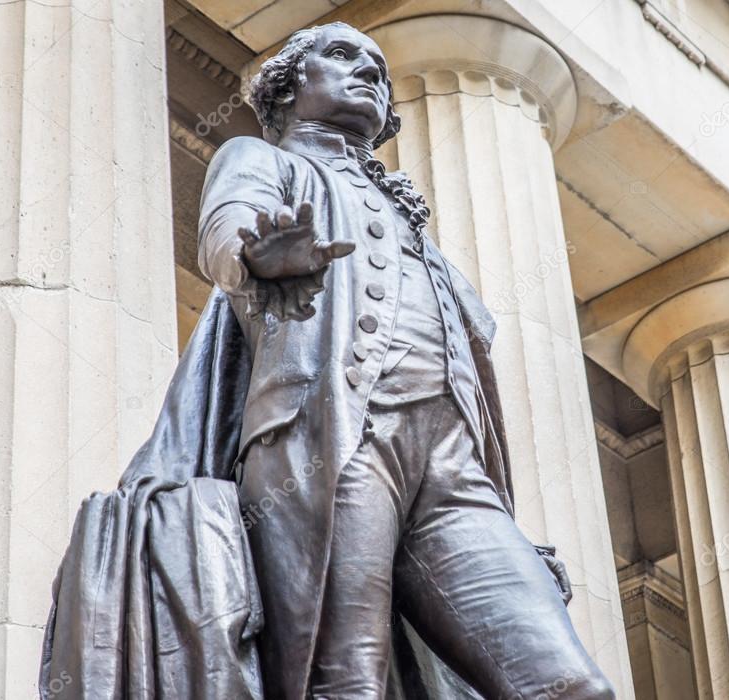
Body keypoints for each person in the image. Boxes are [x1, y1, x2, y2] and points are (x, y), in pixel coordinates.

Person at [198, 20, 615, 699]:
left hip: (454, 472)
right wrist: (259, 255)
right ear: (285, 88)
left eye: (378, 67)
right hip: (330, 441)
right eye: (340, 55)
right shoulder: (266, 160)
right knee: (343, 684)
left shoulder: (412, 227)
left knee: (569, 686)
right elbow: (228, 227)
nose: (366, 69)